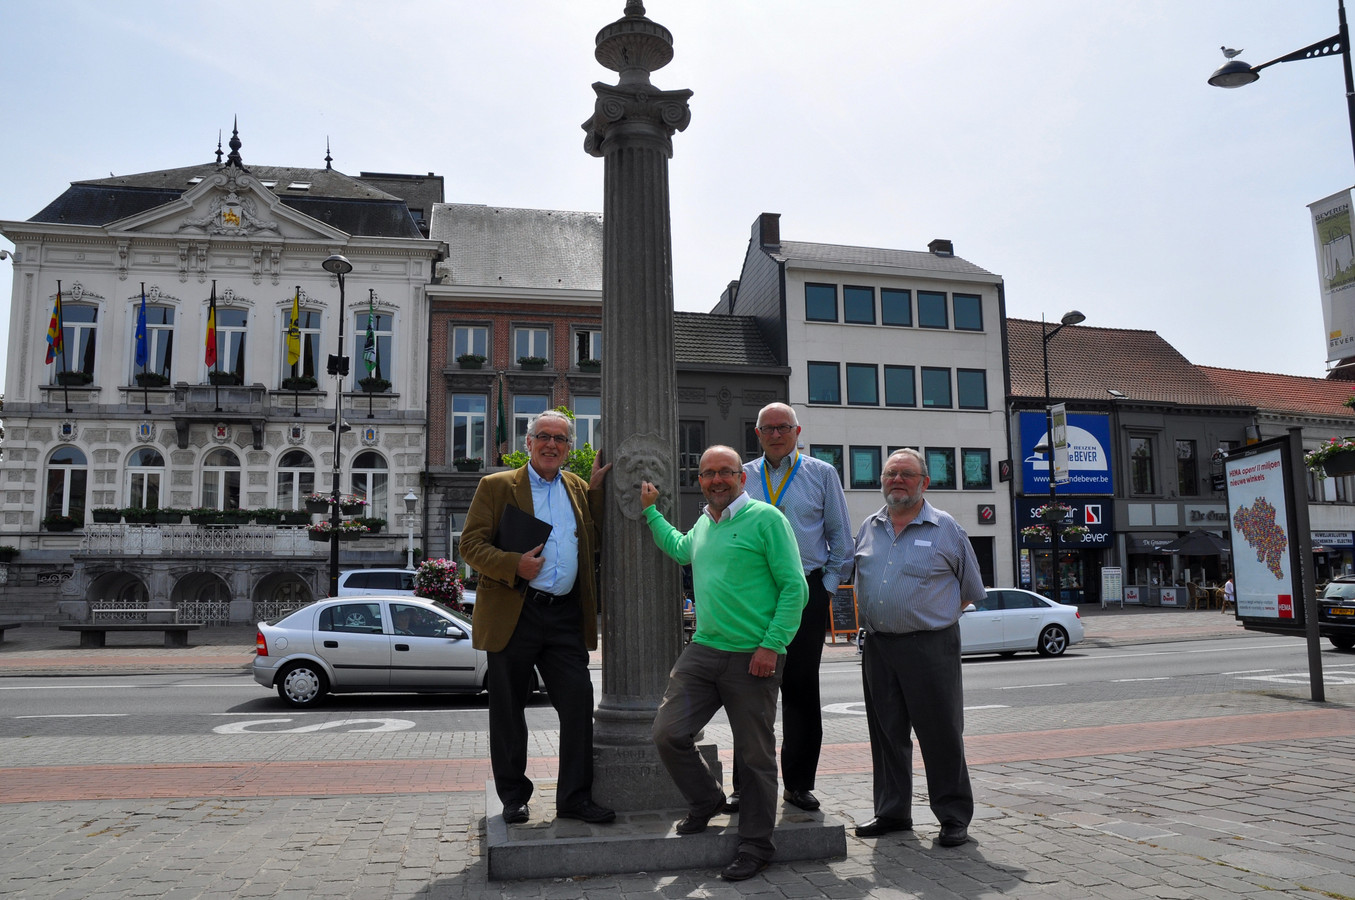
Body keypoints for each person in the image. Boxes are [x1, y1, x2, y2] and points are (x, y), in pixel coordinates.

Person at [642, 446, 808, 882]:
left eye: (725, 473)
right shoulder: (704, 523)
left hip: (755, 653)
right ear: (700, 480)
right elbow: (681, 550)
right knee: (667, 732)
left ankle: (756, 845)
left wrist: (771, 646)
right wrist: (651, 512)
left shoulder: (767, 520)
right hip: (704, 649)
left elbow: (795, 588)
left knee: (754, 755)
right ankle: (707, 800)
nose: (717, 480)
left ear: (742, 477)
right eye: (708, 474)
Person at [460, 409, 614, 827]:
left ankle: (575, 798)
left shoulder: (577, 488)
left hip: (565, 614)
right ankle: (513, 797)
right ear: (528, 443)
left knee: (579, 706)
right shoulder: (496, 486)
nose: (551, 444)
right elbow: (470, 545)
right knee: (509, 710)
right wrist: (513, 564)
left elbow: (594, 540)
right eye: (543, 436)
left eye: (560, 439)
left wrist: (597, 492)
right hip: (516, 610)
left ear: (568, 447)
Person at [853, 448, 985, 848]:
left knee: (941, 734)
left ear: (924, 482)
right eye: (890, 474)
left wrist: (927, 618)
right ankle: (893, 812)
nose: (897, 480)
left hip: (931, 647)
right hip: (878, 647)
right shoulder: (868, 526)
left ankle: (953, 816)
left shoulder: (946, 528)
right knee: (887, 735)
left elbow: (970, 590)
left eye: (907, 474)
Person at [731, 402, 852, 813]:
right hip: (753, 595)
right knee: (749, 695)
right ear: (758, 433)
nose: (777, 434)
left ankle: (799, 785)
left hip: (805, 591)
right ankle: (744, 786)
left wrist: (825, 590)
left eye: (784, 427)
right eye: (769, 428)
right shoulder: (741, 475)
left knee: (800, 692)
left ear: (798, 432)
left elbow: (842, 540)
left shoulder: (822, 474)